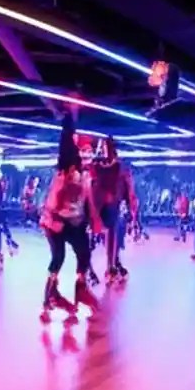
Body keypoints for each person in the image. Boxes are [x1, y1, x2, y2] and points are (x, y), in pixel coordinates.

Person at [40, 112, 104, 323]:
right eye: (83, 151)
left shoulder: (85, 175)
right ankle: (50, 297)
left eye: (89, 152)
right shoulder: (68, 173)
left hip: (74, 222)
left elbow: (88, 200)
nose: (87, 155)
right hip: (56, 221)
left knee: (84, 254)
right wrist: (55, 217)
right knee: (58, 257)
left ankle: (81, 289)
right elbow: (54, 198)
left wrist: (94, 219)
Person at [90, 137, 139, 282]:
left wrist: (131, 210)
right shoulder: (99, 167)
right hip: (100, 206)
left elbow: (129, 190)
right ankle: (103, 267)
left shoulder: (120, 169)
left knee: (113, 236)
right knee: (100, 238)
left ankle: (112, 265)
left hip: (112, 206)